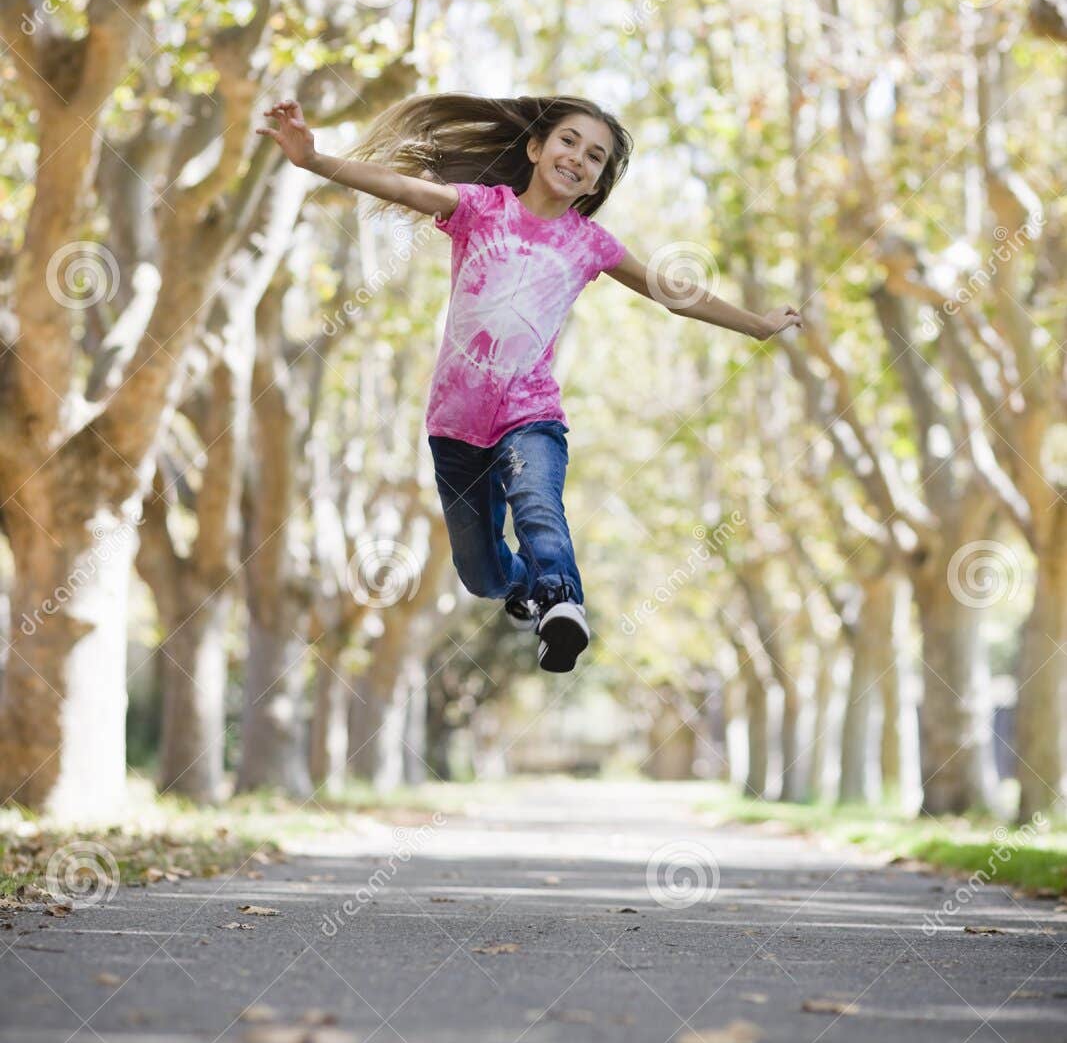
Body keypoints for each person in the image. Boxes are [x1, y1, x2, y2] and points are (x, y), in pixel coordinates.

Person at [257, 93, 802, 673]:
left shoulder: (591, 244)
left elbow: (675, 293)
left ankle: (562, 604)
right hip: (455, 425)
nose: (579, 158)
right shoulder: (480, 208)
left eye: (596, 157)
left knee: (539, 506)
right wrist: (315, 160)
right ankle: (525, 585)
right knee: (481, 574)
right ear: (536, 148)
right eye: (569, 141)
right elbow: (404, 188)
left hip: (530, 414)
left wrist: (758, 327)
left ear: (596, 183)